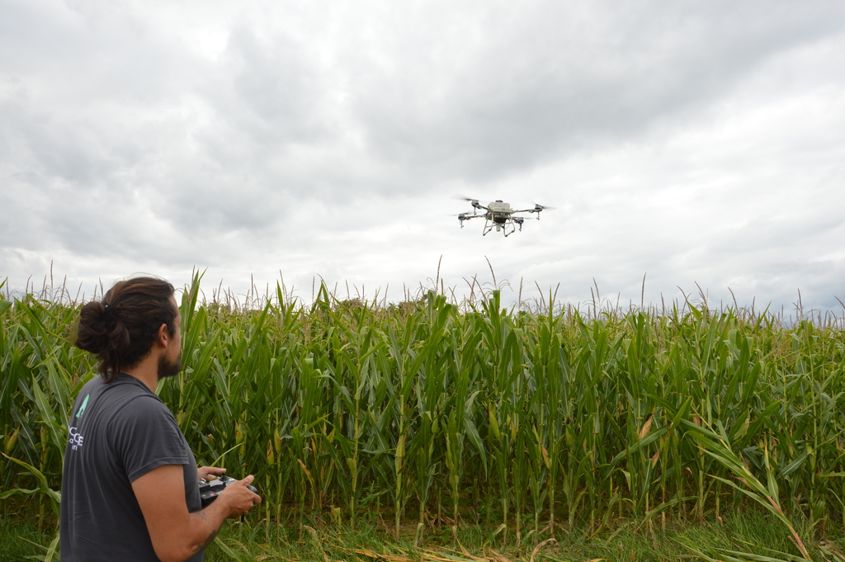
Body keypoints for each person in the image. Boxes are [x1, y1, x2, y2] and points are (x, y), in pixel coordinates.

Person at [60, 276, 261, 562]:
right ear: (163, 334)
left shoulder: (93, 390)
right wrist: (225, 503)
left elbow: (110, 478)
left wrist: (186, 479)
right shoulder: (145, 415)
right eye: (180, 327)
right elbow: (176, 545)